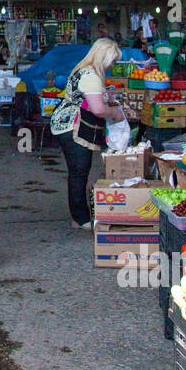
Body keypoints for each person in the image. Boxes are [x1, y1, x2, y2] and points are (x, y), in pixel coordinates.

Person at [48, 38, 126, 231]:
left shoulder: (83, 68)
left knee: (78, 170)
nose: (112, 65)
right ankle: (80, 218)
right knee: (79, 170)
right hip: (72, 126)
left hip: (63, 121)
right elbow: (98, 109)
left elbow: (88, 98)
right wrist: (114, 113)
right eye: (112, 61)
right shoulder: (91, 75)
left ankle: (79, 215)